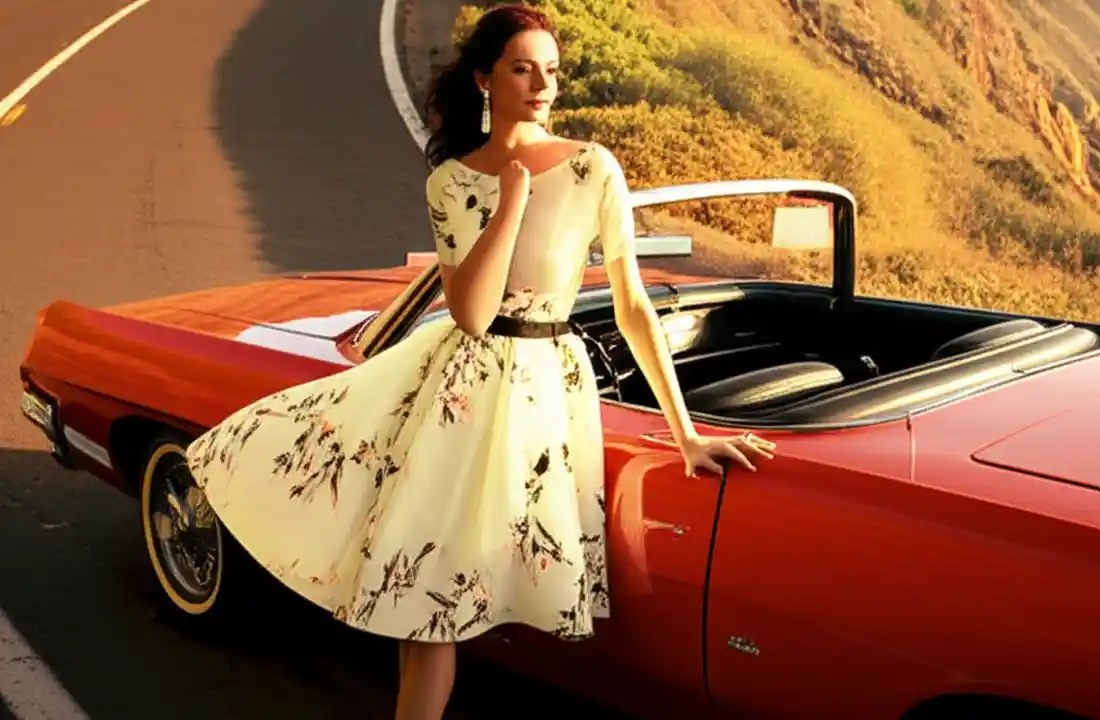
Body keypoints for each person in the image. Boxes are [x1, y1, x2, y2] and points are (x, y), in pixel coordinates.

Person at [184, 3, 775, 719]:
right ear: (484, 79)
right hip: (458, 394)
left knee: (440, 603)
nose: (541, 85)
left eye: (551, 71)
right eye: (522, 69)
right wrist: (510, 203)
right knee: (421, 599)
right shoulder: (453, 182)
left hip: (544, 392)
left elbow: (632, 307)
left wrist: (686, 434)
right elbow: (469, 311)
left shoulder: (593, 167)